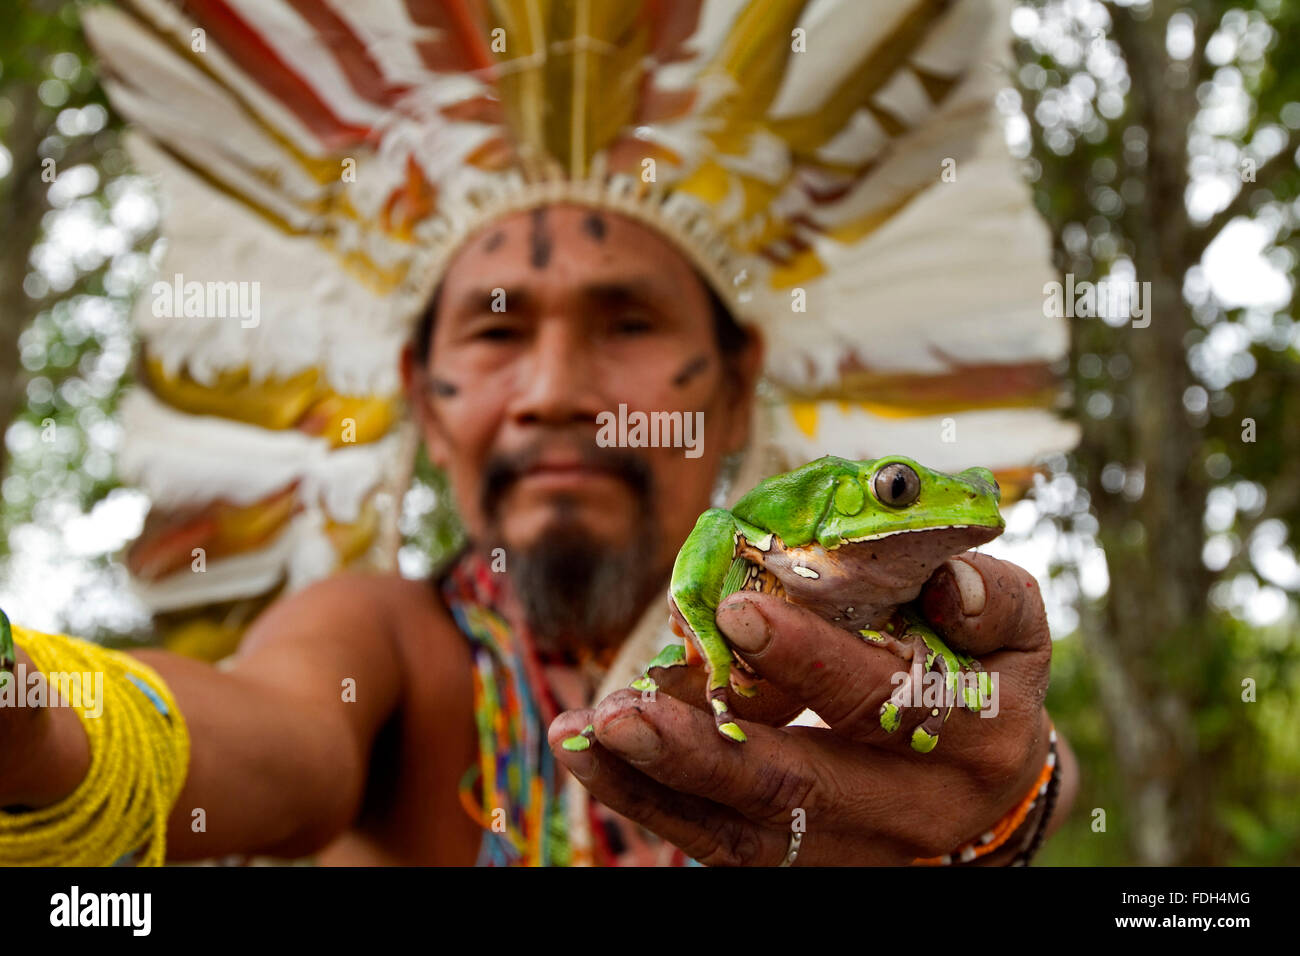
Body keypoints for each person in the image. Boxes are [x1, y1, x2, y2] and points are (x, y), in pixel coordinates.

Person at [0, 200, 1077, 866]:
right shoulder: (383, 638)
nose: (557, 390)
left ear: (737, 384)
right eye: (499, 327)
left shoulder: (848, 612)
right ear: (426, 403)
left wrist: (1008, 801)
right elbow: (266, 732)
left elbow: (1034, 761)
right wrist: (35, 712)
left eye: (628, 322)